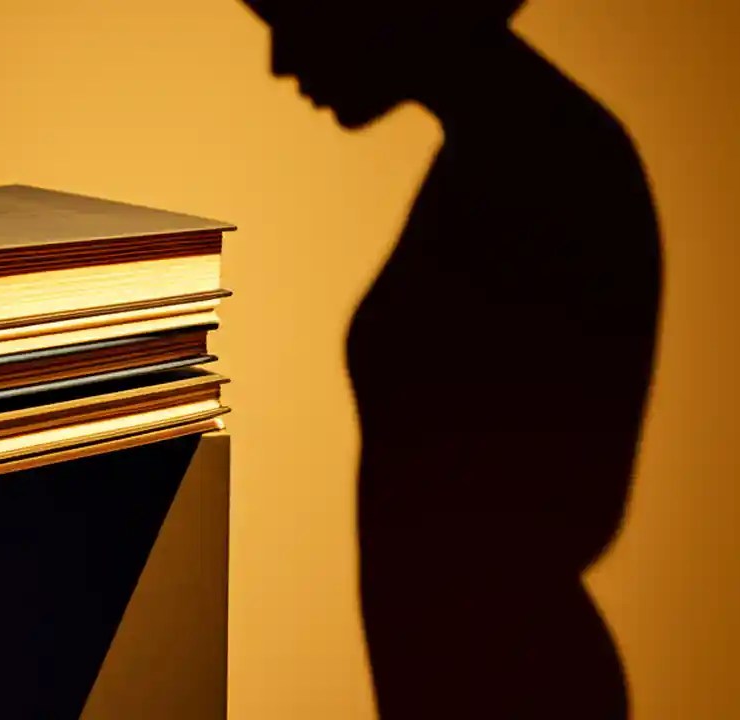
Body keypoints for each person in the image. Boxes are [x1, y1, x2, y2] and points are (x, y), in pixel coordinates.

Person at [240, 2, 662, 717]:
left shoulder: (556, 167)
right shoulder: (496, 157)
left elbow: (574, 508)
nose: (280, 60)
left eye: (294, 9)